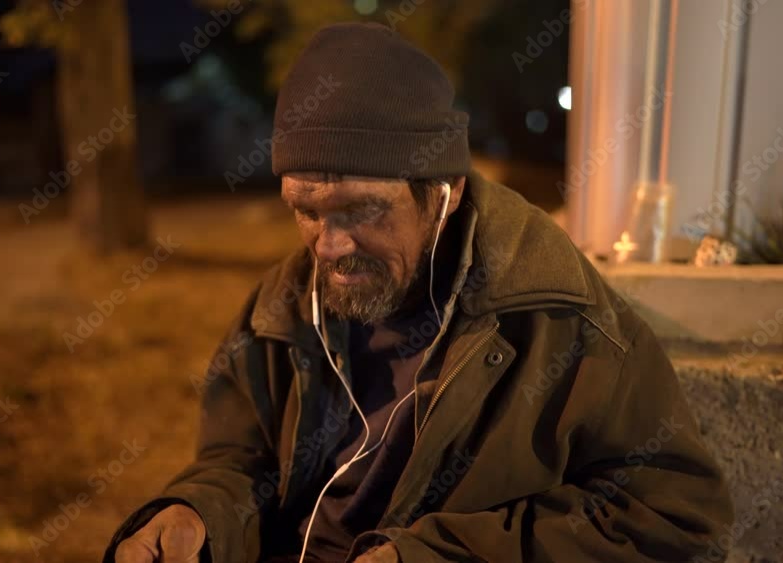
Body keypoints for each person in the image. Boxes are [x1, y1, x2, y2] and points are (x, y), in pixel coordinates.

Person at [104, 22, 733, 563]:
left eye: (362, 210)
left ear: (445, 192)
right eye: (307, 211)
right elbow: (242, 460)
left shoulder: (560, 323)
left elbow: (674, 519)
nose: (329, 247)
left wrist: (434, 556)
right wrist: (197, 513)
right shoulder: (282, 303)